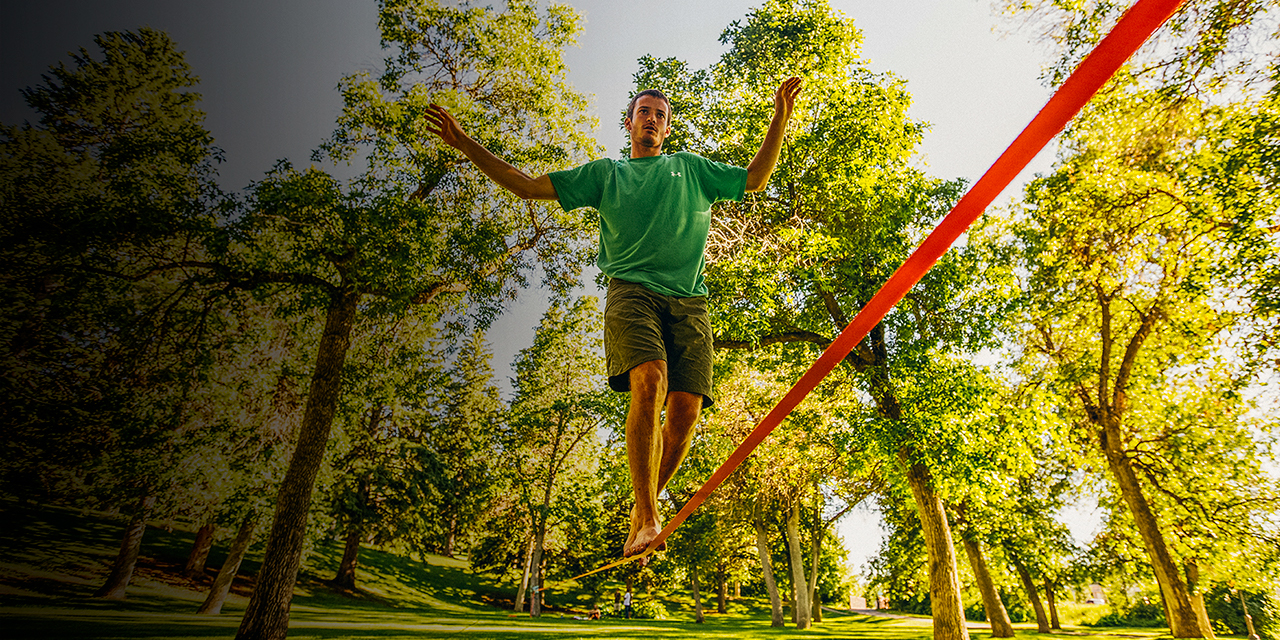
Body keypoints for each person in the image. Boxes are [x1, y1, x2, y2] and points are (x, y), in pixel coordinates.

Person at [425, 77, 802, 559]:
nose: (652, 119)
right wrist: (463, 142)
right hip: (632, 292)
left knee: (686, 410)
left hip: (690, 301)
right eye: (644, 112)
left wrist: (779, 119)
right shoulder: (607, 175)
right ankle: (647, 517)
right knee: (650, 379)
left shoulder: (689, 170)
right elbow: (524, 185)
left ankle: (643, 504)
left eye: (661, 116)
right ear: (629, 123)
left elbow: (754, 179)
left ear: (667, 130)